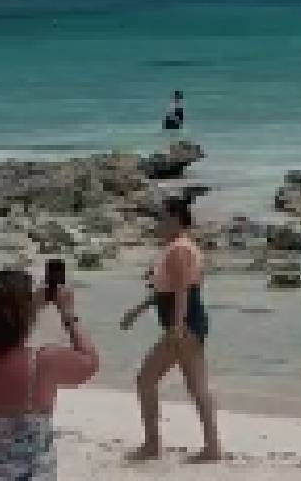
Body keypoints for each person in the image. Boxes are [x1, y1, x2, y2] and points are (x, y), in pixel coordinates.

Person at [0, 268, 100, 478]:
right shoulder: (42, 363)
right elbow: (90, 361)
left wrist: (29, 309)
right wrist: (68, 314)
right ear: (27, 317)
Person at [121, 197, 222, 462]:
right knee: (197, 386)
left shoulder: (179, 250)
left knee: (146, 379)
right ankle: (212, 447)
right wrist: (138, 310)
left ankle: (153, 446)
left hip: (183, 324)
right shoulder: (182, 247)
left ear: (176, 219)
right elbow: (165, 291)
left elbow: (182, 292)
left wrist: (176, 327)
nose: (158, 223)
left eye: (162, 217)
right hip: (189, 322)